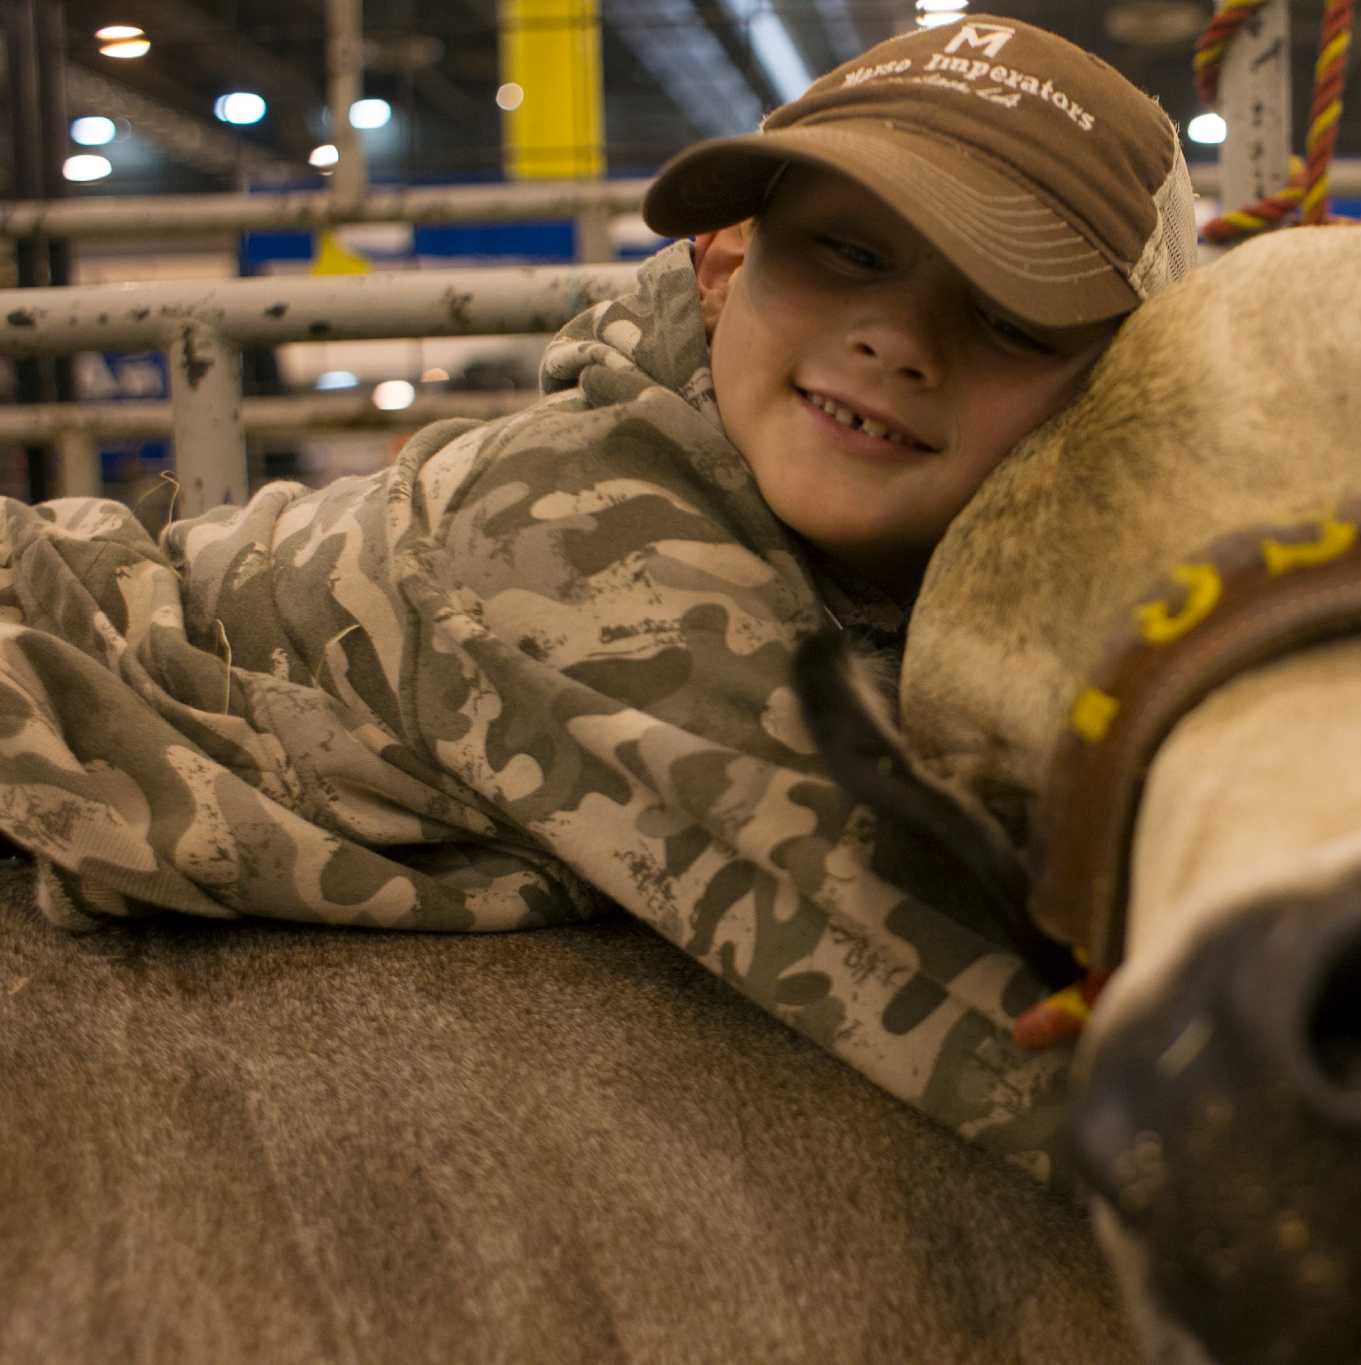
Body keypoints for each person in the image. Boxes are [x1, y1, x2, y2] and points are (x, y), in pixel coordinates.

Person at [0, 16, 1192, 1178]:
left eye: (1003, 312)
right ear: (722, 263)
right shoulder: (579, 548)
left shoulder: (922, 542)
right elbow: (983, 1016)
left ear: (1114, 395)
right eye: (850, 252)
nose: (895, 338)